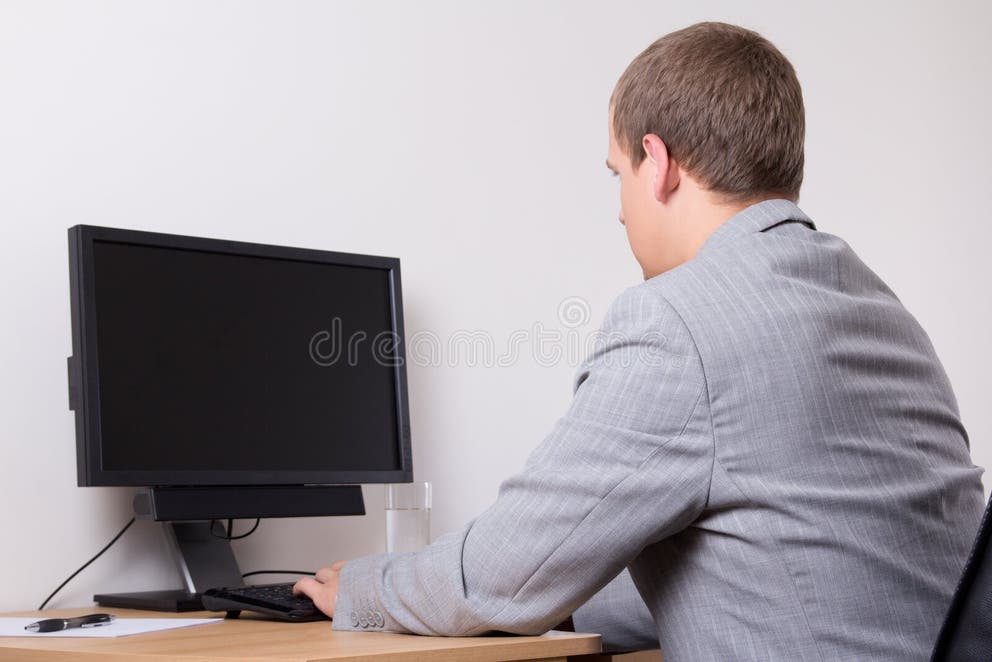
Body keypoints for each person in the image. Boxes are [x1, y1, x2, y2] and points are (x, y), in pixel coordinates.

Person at [294, 21, 985, 660]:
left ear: (659, 163)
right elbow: (803, 559)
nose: (619, 209)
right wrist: (558, 602)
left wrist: (364, 586)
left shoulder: (680, 322)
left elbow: (503, 572)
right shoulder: (879, 311)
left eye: (616, 174)